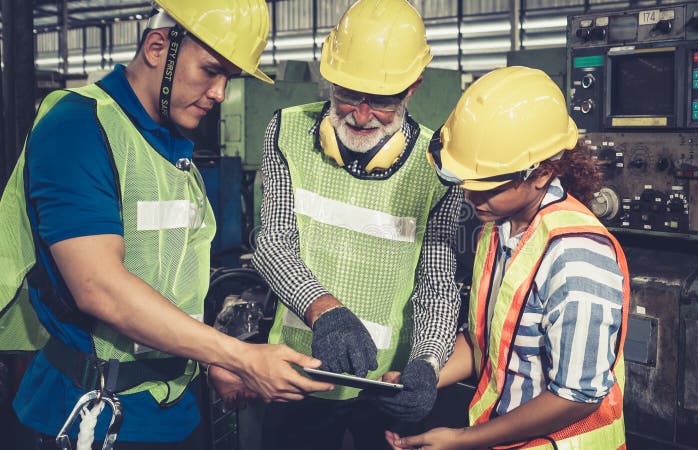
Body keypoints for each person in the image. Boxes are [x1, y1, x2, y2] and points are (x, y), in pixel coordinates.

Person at [0, 1, 333, 448]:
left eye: (228, 78)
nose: (219, 93)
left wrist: (210, 361)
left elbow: (167, 284)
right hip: (95, 415)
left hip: (174, 405)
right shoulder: (79, 125)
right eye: (211, 70)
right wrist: (240, 355)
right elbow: (99, 286)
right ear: (158, 47)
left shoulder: (172, 150)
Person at [247, 0, 463, 448]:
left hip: (387, 384)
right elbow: (273, 242)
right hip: (298, 373)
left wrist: (428, 362)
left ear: (412, 89)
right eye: (346, 94)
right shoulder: (285, 131)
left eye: (381, 101)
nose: (360, 115)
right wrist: (324, 309)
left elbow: (437, 283)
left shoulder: (438, 167)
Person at [385, 66, 630, 450]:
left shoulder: (576, 257)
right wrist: (425, 378)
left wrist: (464, 439)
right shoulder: (498, 227)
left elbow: (576, 395)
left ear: (541, 173)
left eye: (488, 187)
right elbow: (487, 339)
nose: (471, 198)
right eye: (466, 184)